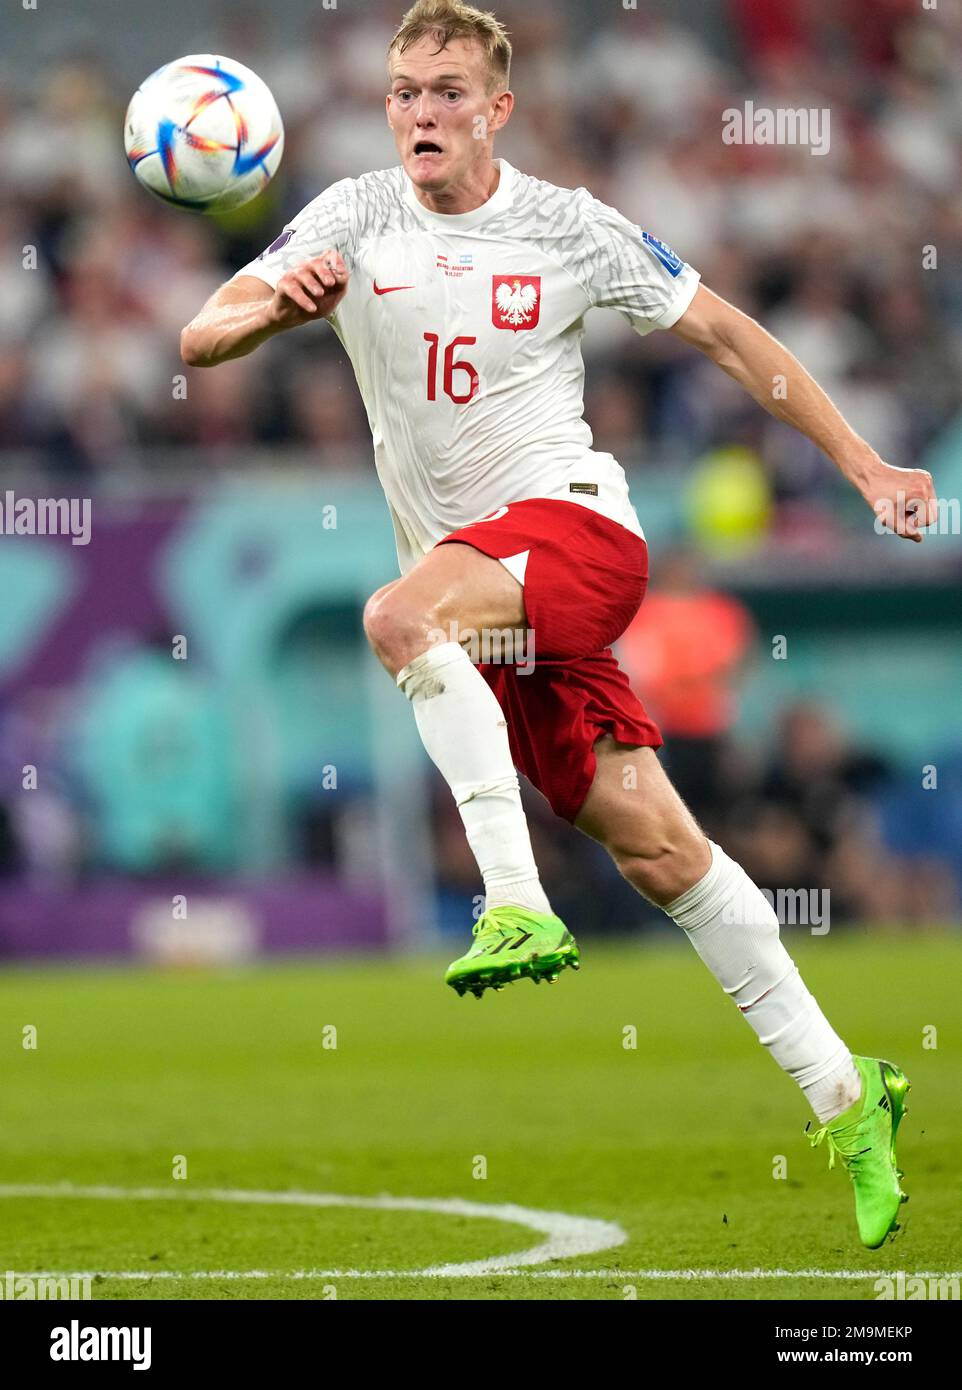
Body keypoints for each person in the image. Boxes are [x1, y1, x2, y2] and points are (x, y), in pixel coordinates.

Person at [180, 0, 935, 1248]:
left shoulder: (569, 227)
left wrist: (861, 466)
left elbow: (728, 337)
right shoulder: (350, 219)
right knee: (657, 851)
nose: (421, 111)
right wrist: (275, 307)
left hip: (575, 531)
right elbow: (200, 335)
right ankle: (847, 1096)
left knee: (391, 612)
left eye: (446, 91)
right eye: (403, 91)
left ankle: (512, 899)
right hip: (486, 607)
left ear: (497, 108)